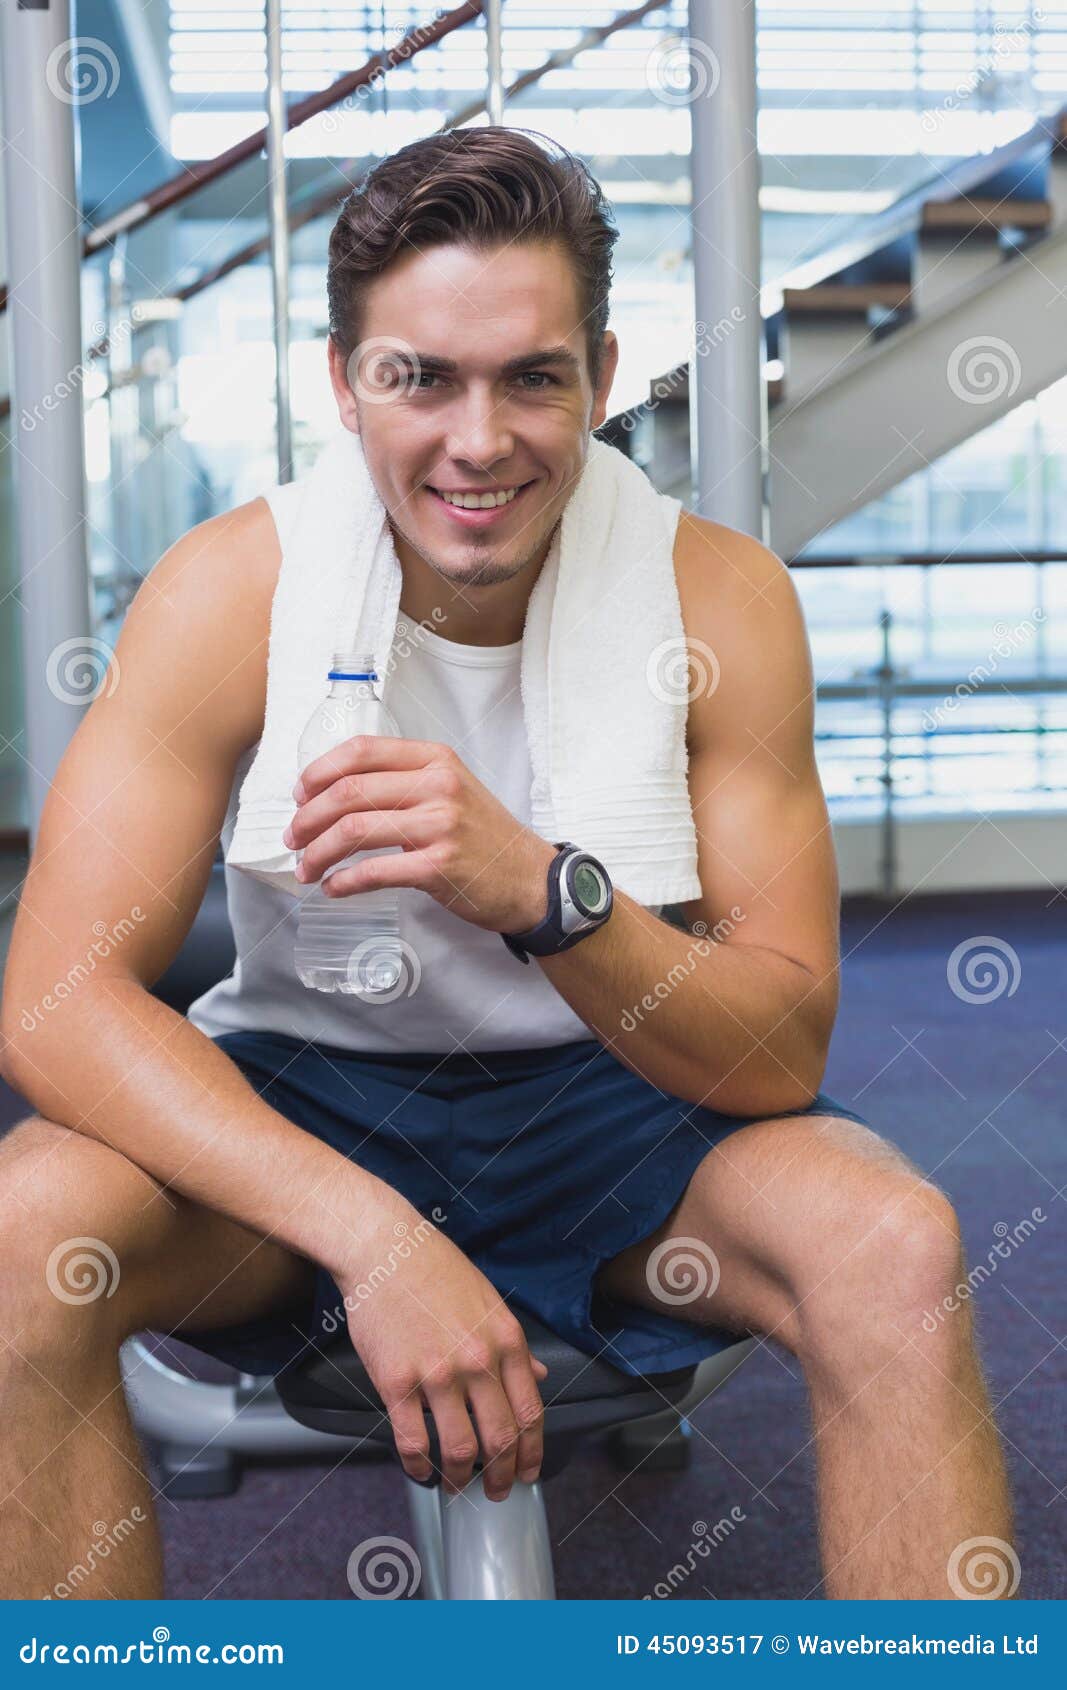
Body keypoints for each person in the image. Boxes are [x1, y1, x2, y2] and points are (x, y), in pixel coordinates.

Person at [0, 126, 1012, 1601]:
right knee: (24, 1228)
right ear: (343, 384)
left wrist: (544, 892)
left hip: (620, 1106)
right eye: (420, 376)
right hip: (306, 1098)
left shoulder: (722, 602)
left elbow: (783, 1046)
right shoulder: (230, 591)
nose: (478, 441)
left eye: (532, 377)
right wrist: (377, 1235)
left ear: (600, 379)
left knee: (898, 1246)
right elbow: (52, 1002)